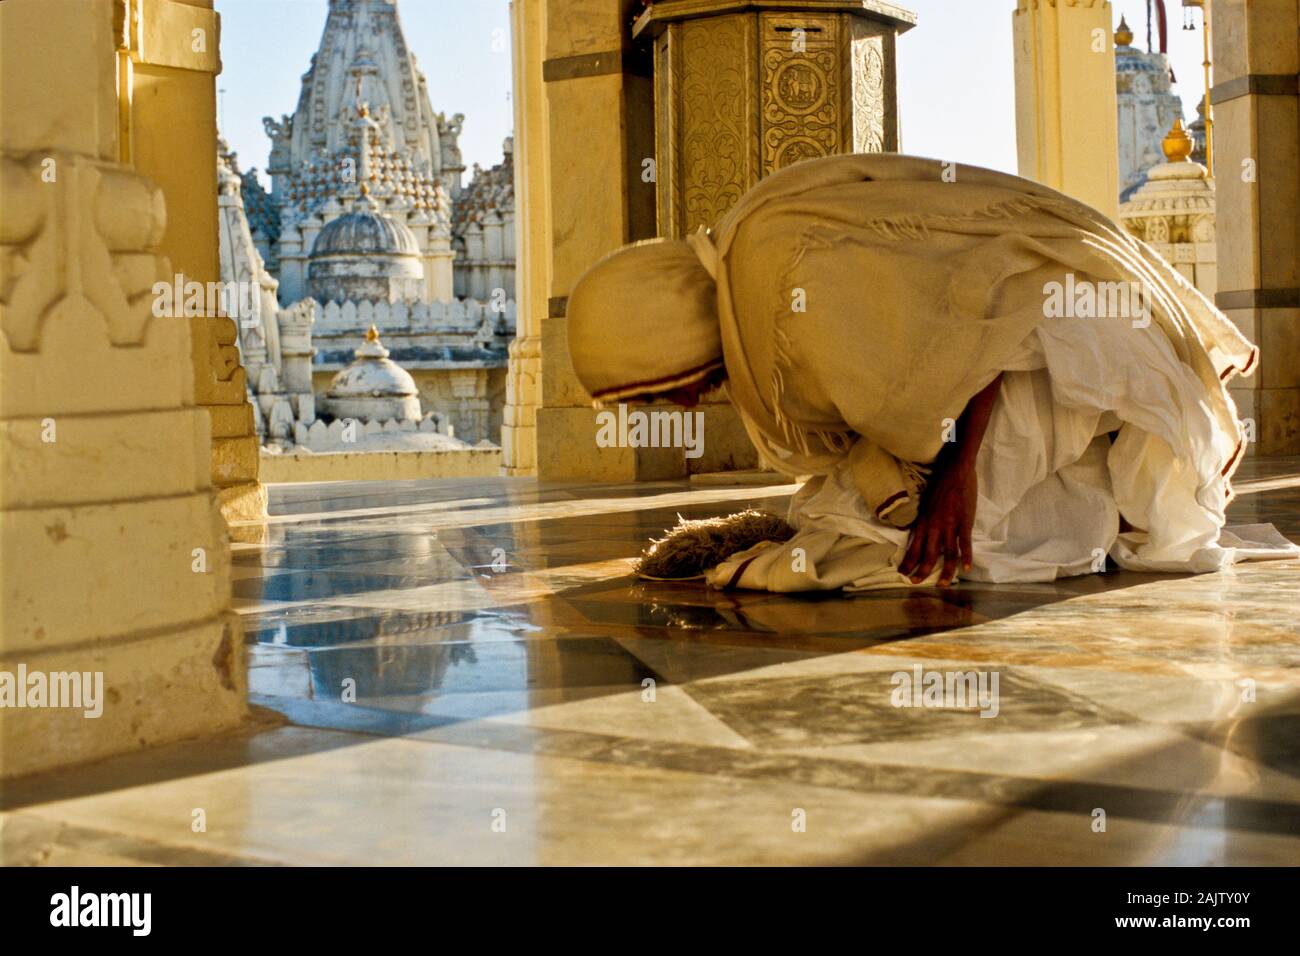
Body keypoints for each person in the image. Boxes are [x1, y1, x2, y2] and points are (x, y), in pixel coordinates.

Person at [565, 155, 1296, 591]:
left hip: (1050, 335)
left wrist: (959, 473)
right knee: (858, 514)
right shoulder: (747, 269)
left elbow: (970, 321)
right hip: (1015, 350)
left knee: (904, 550)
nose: (684, 399)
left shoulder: (769, 265)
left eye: (659, 386)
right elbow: (906, 381)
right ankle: (1096, 520)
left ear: (660, 333)